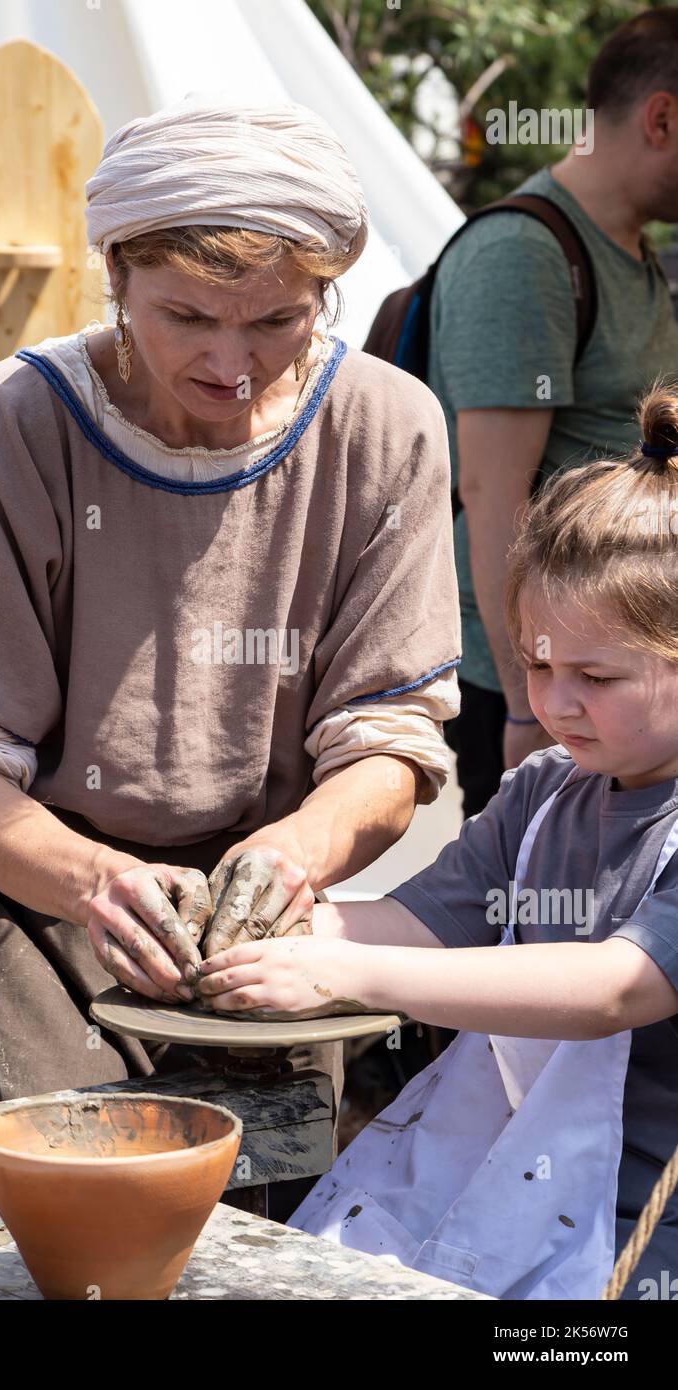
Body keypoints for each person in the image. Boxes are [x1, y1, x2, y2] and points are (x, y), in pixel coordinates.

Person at [0, 98, 462, 1181]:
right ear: (114, 274)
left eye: (276, 320)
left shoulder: (387, 427)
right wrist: (95, 882)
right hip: (20, 882)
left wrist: (297, 854)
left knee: (264, 1215)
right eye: (187, 317)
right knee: (50, 1208)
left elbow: (390, 741)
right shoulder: (13, 423)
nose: (232, 362)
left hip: (259, 904)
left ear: (325, 290)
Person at [195, 383, 678, 1299]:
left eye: (595, 674)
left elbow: (615, 987)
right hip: (508, 1184)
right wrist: (254, 924)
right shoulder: (544, 792)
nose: (555, 700)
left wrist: (341, 977)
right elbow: (423, 922)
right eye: (535, 664)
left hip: (638, 1231)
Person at [431, 7, 678, 817]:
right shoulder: (525, 255)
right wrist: (526, 702)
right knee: (528, 931)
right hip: (543, 693)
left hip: (614, 680)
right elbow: (492, 495)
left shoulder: (633, 252)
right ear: (663, 117)